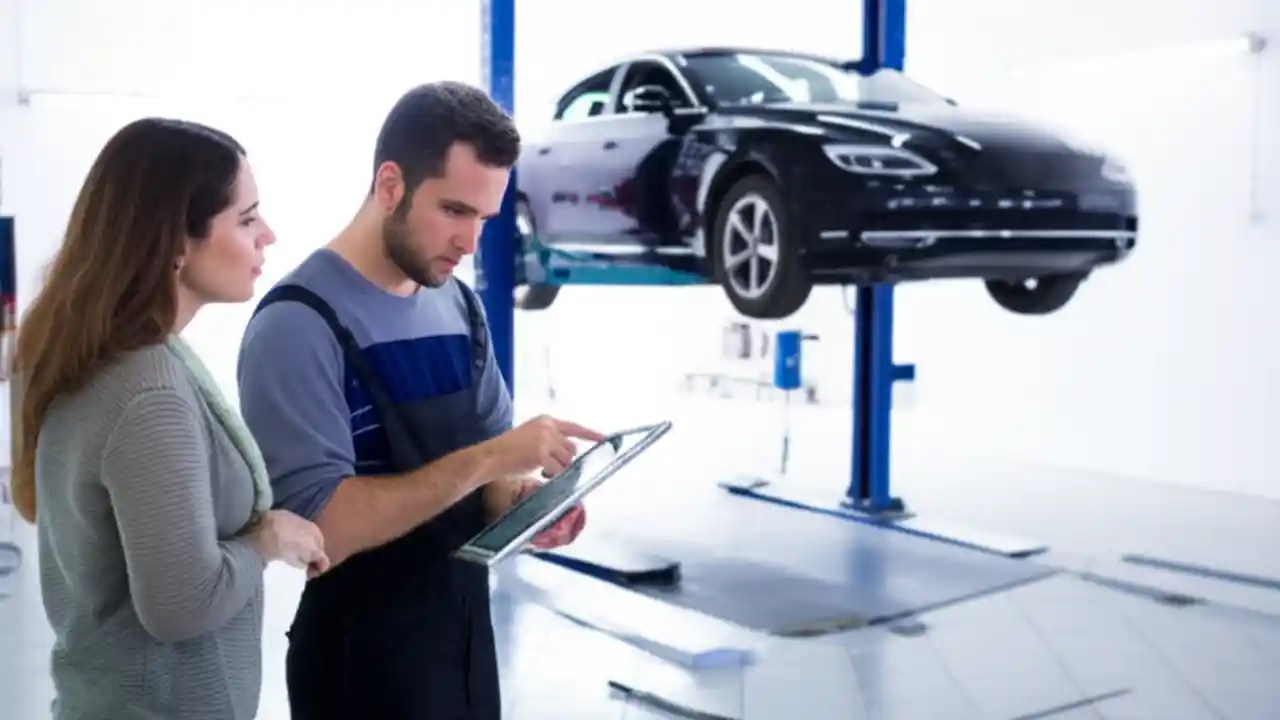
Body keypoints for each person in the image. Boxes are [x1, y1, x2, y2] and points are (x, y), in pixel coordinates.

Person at [236, 81, 602, 719]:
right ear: (389, 186)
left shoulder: (459, 305)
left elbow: (492, 482)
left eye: (484, 220)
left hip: (461, 651)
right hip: (358, 672)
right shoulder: (298, 325)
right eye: (454, 211)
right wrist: (489, 460)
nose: (470, 242)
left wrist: (528, 506)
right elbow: (326, 528)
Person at [10, 118, 330, 720]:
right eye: (246, 218)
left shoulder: (88, 351)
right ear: (176, 244)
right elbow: (180, 604)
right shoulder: (147, 393)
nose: (269, 235)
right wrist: (266, 539)